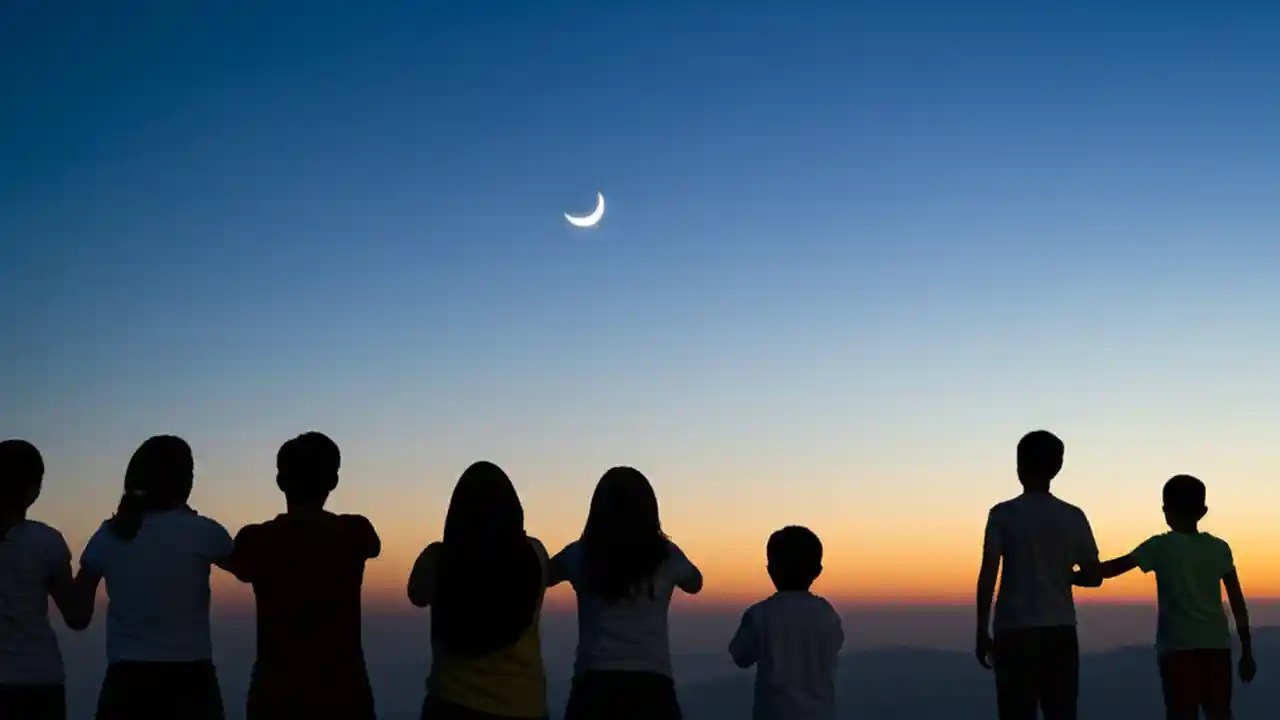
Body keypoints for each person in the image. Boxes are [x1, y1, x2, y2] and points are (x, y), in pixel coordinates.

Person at [72, 435, 234, 720]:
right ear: (184, 480)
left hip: (127, 684)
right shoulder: (204, 532)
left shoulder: (109, 535)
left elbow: (77, 616)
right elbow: (249, 570)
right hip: (191, 684)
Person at [1075, 475, 1256, 720]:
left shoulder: (1159, 547)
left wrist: (1069, 574)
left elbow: (1109, 570)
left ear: (1165, 510)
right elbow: (1237, 603)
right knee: (1219, 712)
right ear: (1203, 511)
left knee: (1181, 713)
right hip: (1217, 647)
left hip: (1177, 648)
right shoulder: (1219, 548)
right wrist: (1247, 650)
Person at [227, 432, 380, 720]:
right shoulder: (355, 532)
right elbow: (374, 547)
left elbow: (237, 564)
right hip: (344, 691)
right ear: (333, 481)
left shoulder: (255, 539)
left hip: (275, 693)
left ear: (280, 481)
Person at [549, 466, 703, 720]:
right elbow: (696, 583)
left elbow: (541, 575)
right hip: (653, 687)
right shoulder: (666, 555)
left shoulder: (580, 554)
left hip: (594, 686)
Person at [408, 461, 549, 720]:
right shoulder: (535, 555)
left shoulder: (437, 559)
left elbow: (416, 595)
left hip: (450, 704)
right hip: (522, 706)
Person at [975, 430, 1100, 720]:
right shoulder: (1073, 516)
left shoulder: (1002, 514)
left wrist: (982, 631)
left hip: (1013, 631)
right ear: (1057, 467)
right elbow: (1094, 576)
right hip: (1059, 631)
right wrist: (1067, 576)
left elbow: (988, 577)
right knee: (1061, 712)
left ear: (1018, 466)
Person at [0, 440, 84, 720]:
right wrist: (95, 565)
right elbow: (77, 616)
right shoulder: (46, 541)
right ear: (33, 491)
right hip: (37, 680)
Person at [729, 526, 844, 720]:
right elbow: (835, 644)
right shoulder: (827, 614)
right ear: (817, 571)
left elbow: (740, 656)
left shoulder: (760, 614)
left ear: (771, 569)